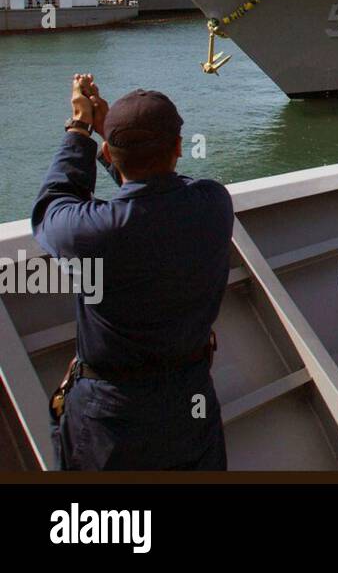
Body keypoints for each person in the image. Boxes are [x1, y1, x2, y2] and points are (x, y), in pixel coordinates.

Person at [32, 76, 232, 470]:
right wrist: (114, 146)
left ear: (108, 150)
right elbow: (162, 193)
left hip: (111, 415)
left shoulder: (92, 232)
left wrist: (80, 129)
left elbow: (52, 207)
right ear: (178, 147)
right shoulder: (213, 204)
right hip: (190, 400)